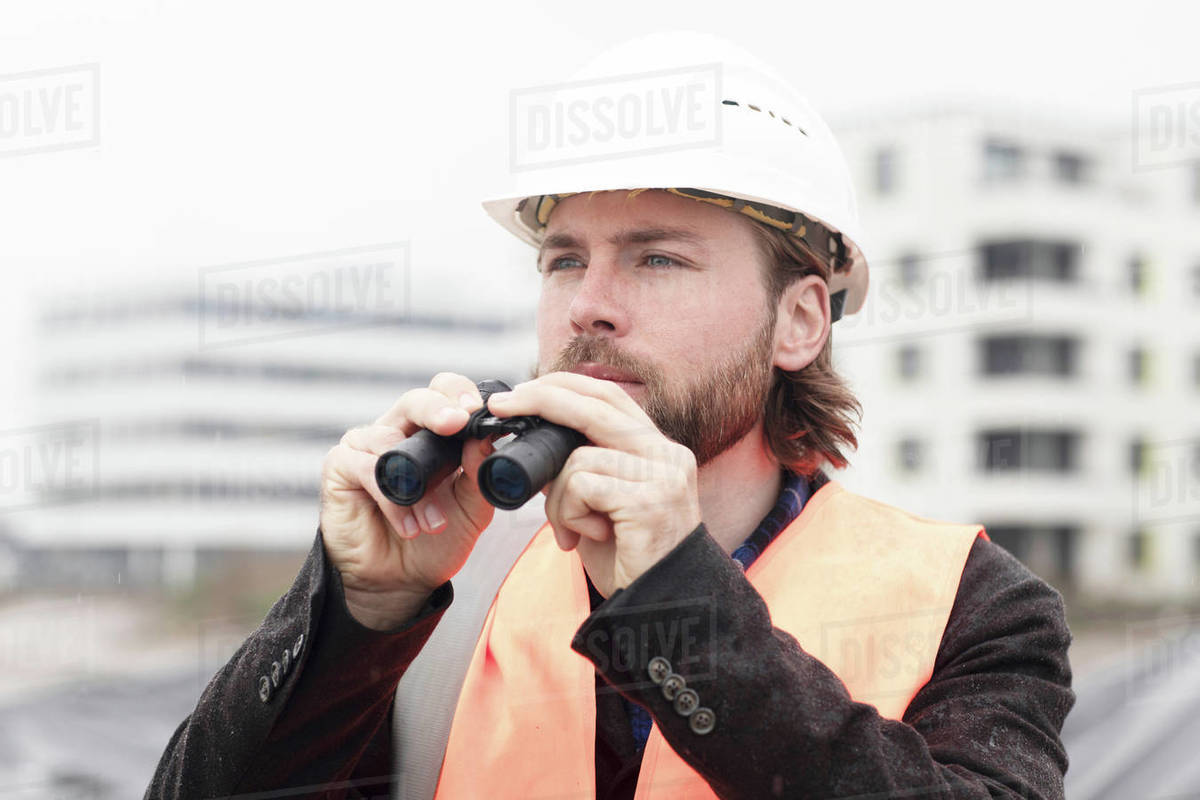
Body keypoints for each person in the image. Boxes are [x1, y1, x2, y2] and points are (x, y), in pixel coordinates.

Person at [146, 32, 1075, 800]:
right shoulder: (455, 590)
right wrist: (358, 614)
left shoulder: (978, 604)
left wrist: (678, 605)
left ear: (798, 321)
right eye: (563, 260)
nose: (589, 305)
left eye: (657, 259)